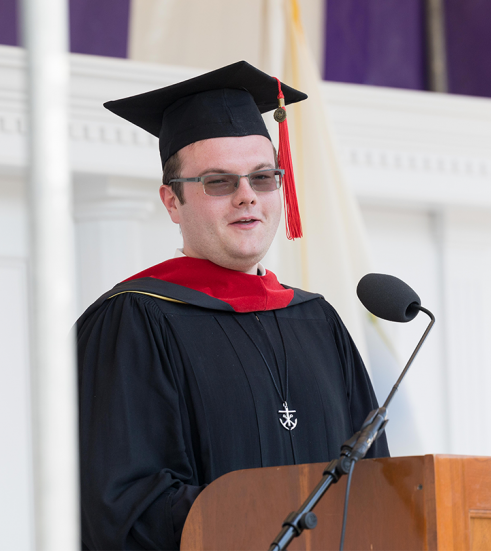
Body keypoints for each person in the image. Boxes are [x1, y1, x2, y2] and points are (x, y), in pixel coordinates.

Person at [75, 61, 389, 550]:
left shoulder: (317, 321)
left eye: (263, 178)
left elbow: (376, 483)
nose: (247, 197)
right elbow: (123, 505)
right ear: (172, 201)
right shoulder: (132, 321)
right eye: (219, 183)